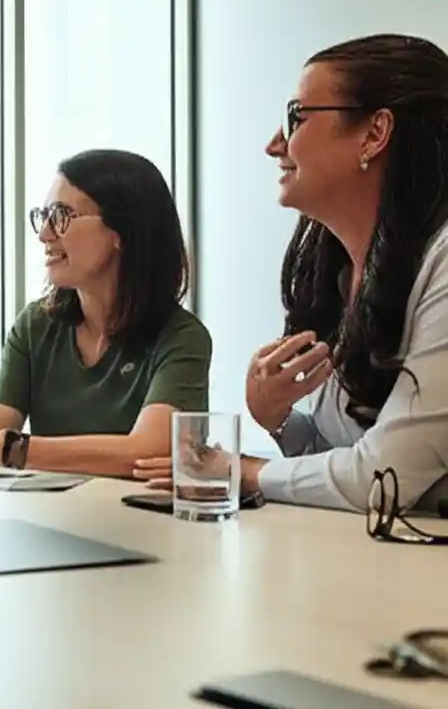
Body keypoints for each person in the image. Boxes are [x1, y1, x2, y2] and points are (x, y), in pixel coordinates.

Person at [136, 34, 448, 514]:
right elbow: (341, 462)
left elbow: (386, 478)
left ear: (374, 133)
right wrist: (278, 418)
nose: (274, 144)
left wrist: (245, 471)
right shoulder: (341, 275)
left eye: (297, 117)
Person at [0, 149, 211, 477]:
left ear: (120, 233)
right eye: (44, 216)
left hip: (139, 526)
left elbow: (147, 452)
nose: (44, 234)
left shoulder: (182, 338)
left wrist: (1, 449)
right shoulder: (34, 326)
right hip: (48, 521)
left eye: (62, 215)